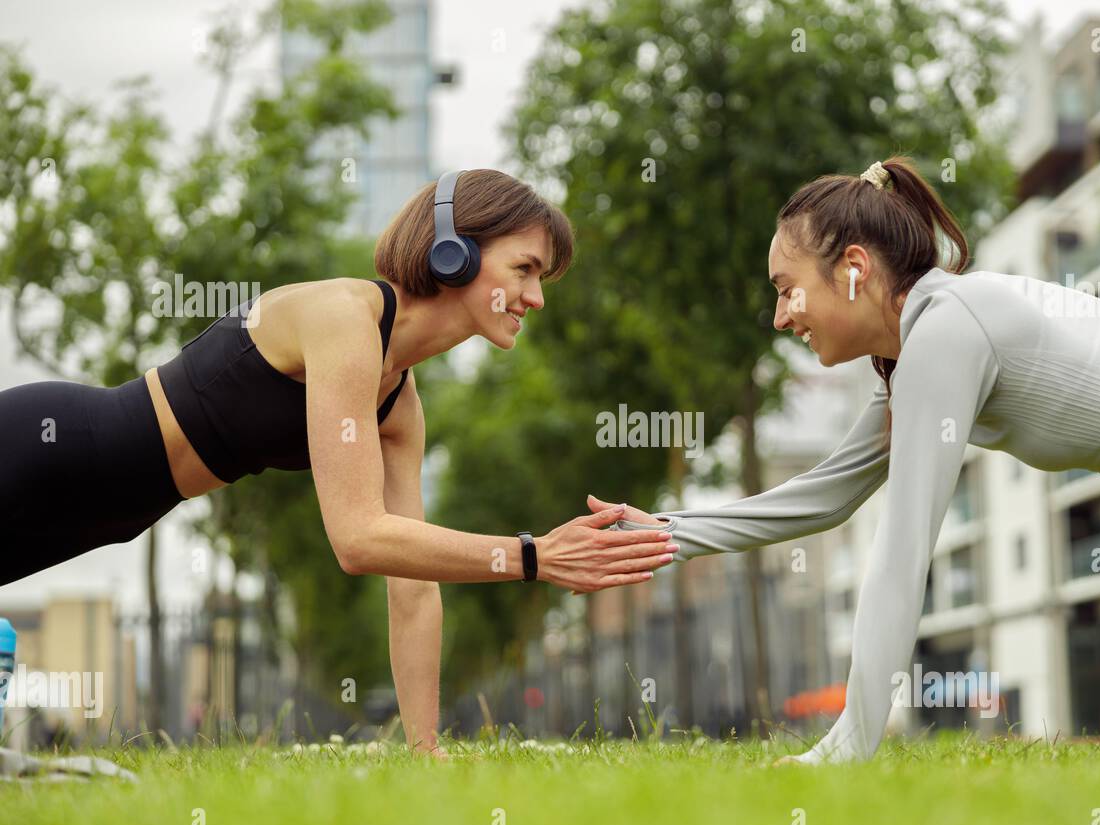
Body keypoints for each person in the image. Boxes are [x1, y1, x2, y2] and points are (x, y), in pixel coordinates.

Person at [603, 155, 1100, 765]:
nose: (782, 316)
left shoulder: (943, 333)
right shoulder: (922, 344)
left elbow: (903, 551)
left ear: (852, 269)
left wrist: (852, 739)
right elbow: (824, 496)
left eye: (787, 288)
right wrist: (665, 533)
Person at [0, 169, 678, 755]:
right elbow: (357, 540)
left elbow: (409, 584)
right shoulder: (343, 319)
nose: (534, 297)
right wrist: (532, 557)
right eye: (524, 269)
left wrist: (425, 751)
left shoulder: (401, 406)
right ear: (453, 252)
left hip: (105, 512)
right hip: (44, 453)